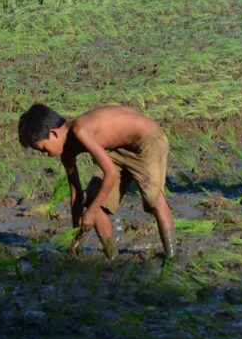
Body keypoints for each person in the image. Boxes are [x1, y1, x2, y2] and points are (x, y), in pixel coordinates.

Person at [18, 104, 176, 259]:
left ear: (53, 133)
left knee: (153, 199)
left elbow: (111, 173)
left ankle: (171, 257)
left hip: (147, 140)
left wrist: (91, 212)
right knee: (94, 200)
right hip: (119, 148)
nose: (44, 155)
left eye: (43, 149)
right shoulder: (66, 154)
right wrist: (76, 236)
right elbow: (76, 194)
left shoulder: (81, 130)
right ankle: (112, 255)